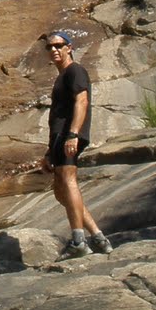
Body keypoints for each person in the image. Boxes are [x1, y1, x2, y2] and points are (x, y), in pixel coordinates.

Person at [39, 30, 111, 257]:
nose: (53, 50)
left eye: (58, 45)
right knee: (60, 190)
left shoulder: (75, 71)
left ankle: (78, 240)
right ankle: (98, 237)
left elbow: (82, 100)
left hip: (69, 135)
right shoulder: (62, 76)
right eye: (49, 47)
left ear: (69, 47)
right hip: (60, 138)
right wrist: (50, 152)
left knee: (68, 181)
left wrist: (73, 134)